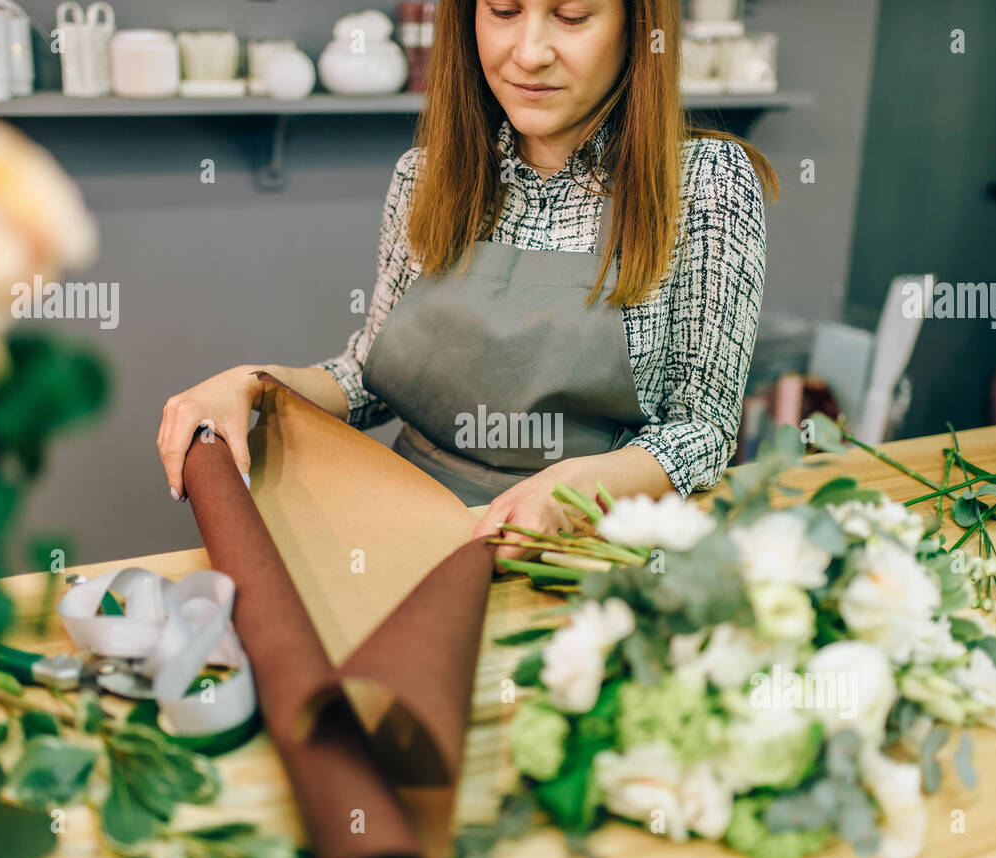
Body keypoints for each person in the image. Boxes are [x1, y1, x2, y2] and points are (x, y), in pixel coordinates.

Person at [157, 0, 776, 559]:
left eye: (571, 16)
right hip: (407, 529)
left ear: (636, 26)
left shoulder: (705, 183)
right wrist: (251, 385)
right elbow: (368, 375)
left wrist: (570, 490)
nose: (529, 53)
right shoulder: (424, 176)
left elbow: (704, 428)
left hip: (587, 548)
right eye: (503, 11)